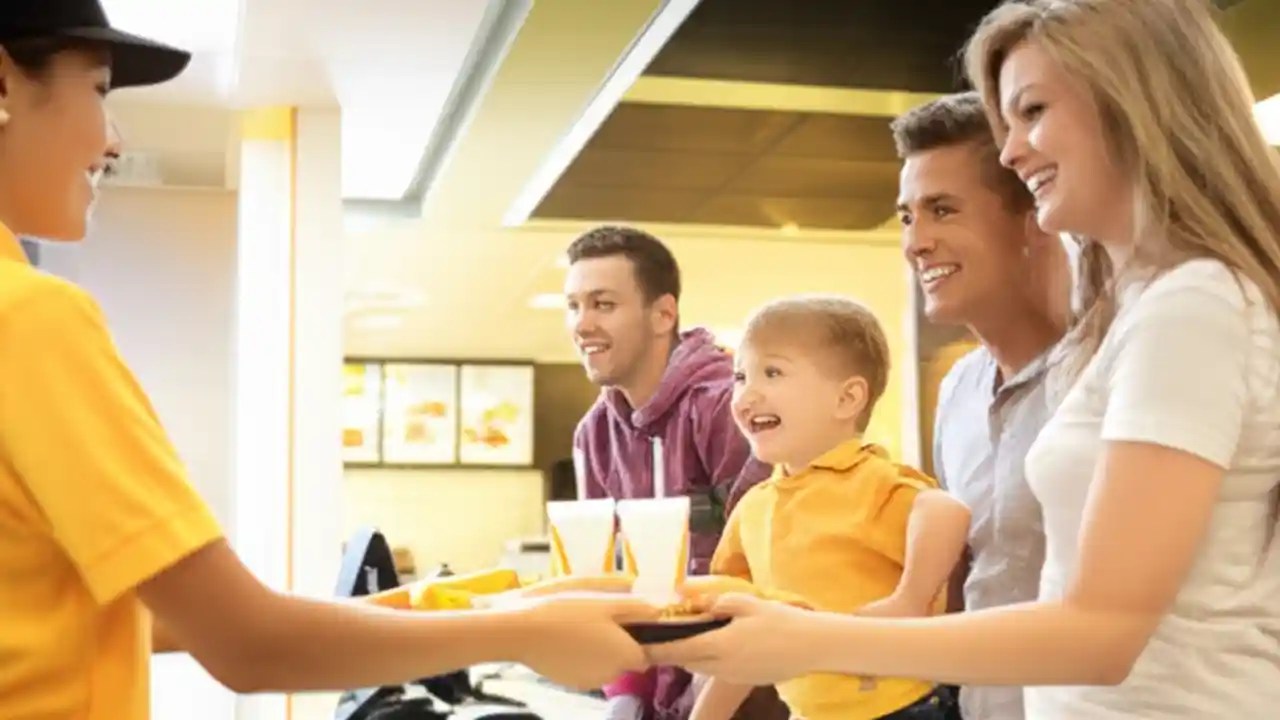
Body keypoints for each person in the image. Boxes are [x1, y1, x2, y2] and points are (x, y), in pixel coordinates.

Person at [0, 3, 657, 718]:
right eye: (99, 90)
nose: (114, 141)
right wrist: (520, 632)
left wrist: (455, 606)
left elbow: (130, 618)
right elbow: (246, 645)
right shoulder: (32, 319)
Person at [646, 1, 1280, 718]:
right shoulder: (1134, 316)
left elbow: (1102, 633)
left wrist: (820, 639)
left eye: (1033, 111)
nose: (1012, 151)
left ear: (1132, 103)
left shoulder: (1193, 305)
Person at [688, 296, 970, 720]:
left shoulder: (869, 477)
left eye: (773, 372)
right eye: (741, 376)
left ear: (847, 399)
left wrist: (908, 600)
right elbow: (749, 642)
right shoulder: (753, 508)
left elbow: (944, 509)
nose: (748, 393)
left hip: (903, 709)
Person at [891, 91, 1071, 719]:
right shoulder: (958, 393)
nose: (917, 242)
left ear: (1032, 219)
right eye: (907, 217)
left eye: (942, 210)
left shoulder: (1109, 372)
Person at [564, 225, 781, 720]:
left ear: (664, 314)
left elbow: (762, 574)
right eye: (573, 306)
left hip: (747, 698)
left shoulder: (727, 407)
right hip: (662, 698)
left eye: (603, 303)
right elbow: (606, 584)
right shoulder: (594, 434)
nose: (582, 323)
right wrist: (625, 695)